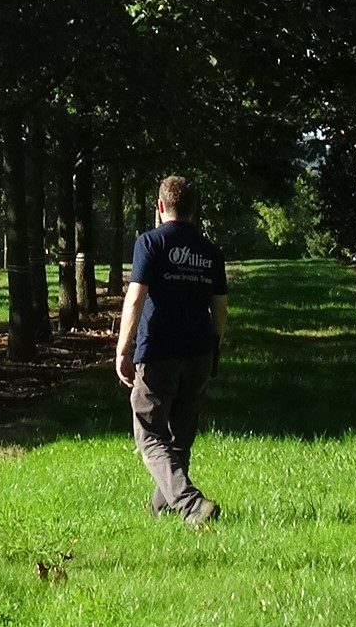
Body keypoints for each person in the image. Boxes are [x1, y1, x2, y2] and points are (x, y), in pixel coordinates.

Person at [114, 174, 227, 525]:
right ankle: (161, 509)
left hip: (159, 352)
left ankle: (192, 505)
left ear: (160, 206)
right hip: (199, 352)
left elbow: (136, 297)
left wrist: (123, 348)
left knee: (149, 435)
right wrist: (215, 347)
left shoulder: (150, 243)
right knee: (179, 438)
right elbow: (220, 308)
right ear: (193, 209)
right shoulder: (210, 252)